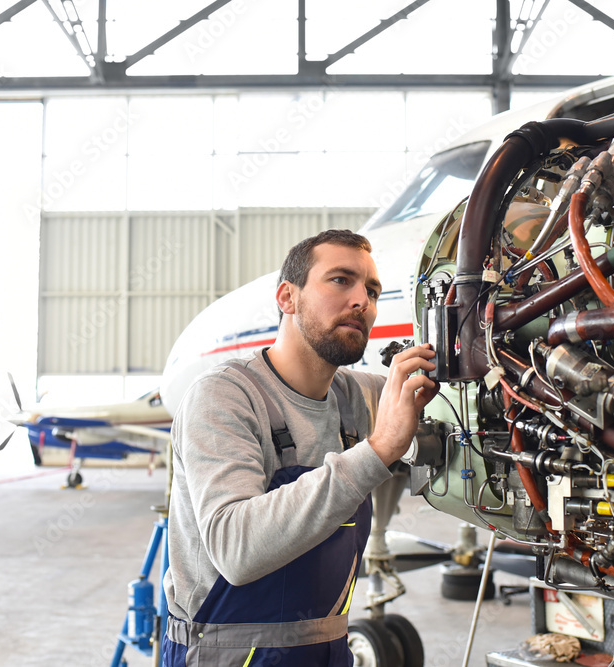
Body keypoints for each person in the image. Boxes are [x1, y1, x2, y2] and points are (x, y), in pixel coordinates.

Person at [161, 228, 438, 666]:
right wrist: (378, 448)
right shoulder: (224, 396)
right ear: (287, 298)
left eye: (372, 290)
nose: (361, 301)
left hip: (325, 650)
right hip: (226, 655)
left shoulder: (358, 396)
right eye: (340, 280)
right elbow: (236, 549)